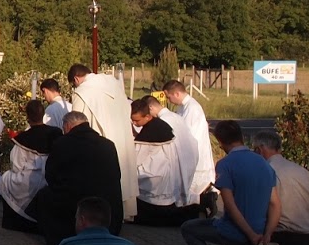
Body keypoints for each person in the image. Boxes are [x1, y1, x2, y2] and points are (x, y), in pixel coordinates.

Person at [180, 121, 302, 245]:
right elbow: (275, 204)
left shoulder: (225, 164)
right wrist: (267, 233)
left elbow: (230, 205)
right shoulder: (263, 163)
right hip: (259, 231)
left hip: (235, 230)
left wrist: (249, 234)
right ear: (241, 136)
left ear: (220, 142)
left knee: (189, 228)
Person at [31, 112, 123, 245]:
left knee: (45, 196)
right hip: (107, 198)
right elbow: (117, 173)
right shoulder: (108, 144)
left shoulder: (62, 143)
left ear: (67, 126)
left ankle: (56, 243)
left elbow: (51, 174)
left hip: (74, 198)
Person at [67, 65, 137, 224]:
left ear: (76, 79)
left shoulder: (82, 92)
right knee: (121, 177)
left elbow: (77, 123)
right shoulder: (113, 82)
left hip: (100, 144)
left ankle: (96, 215)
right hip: (122, 137)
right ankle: (122, 213)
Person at [130, 96, 199, 226]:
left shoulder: (151, 132)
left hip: (155, 177)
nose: (134, 123)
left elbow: (137, 159)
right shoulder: (162, 124)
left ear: (147, 116)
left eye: (136, 121)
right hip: (166, 173)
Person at [1, 99, 57, 233]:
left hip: (31, 178)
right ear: (43, 114)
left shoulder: (23, 139)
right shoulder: (55, 133)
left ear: (28, 117)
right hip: (51, 178)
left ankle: (18, 221)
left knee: (5, 178)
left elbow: (16, 165)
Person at [163, 79, 217, 210]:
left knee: (193, 185)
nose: (169, 101)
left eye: (169, 97)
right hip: (188, 150)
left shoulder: (192, 108)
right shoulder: (183, 107)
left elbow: (188, 133)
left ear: (176, 94)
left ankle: (203, 203)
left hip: (193, 152)